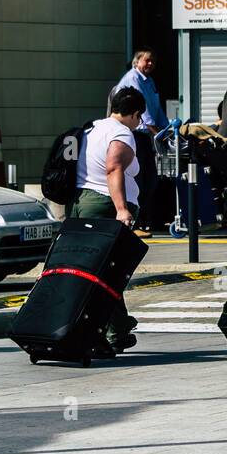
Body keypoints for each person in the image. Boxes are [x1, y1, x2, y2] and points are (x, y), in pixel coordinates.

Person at [70, 86, 145, 353]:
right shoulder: (121, 133)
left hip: (82, 203)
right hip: (105, 205)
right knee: (109, 272)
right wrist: (122, 208)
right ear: (134, 114)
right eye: (139, 117)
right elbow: (113, 167)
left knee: (97, 271)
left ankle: (114, 330)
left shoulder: (91, 129)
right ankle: (109, 331)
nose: (139, 123)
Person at [108, 49, 167, 235]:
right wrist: (157, 132)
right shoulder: (133, 79)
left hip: (145, 136)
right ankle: (137, 221)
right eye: (147, 60)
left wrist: (167, 128)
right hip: (134, 133)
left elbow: (157, 109)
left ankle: (148, 219)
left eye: (153, 61)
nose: (150, 64)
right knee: (138, 178)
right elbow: (144, 112)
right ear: (137, 61)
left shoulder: (149, 81)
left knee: (150, 178)